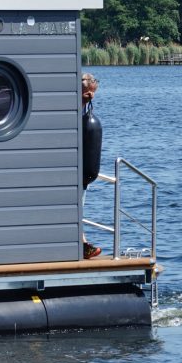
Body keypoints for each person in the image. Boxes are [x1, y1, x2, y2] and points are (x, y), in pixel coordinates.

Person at [81, 72, 102, 259]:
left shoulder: (84, 114)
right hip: (75, 171)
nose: (91, 97)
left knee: (78, 209)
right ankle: (83, 245)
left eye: (93, 93)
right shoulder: (75, 111)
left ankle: (83, 245)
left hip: (83, 171)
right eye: (88, 93)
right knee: (76, 209)